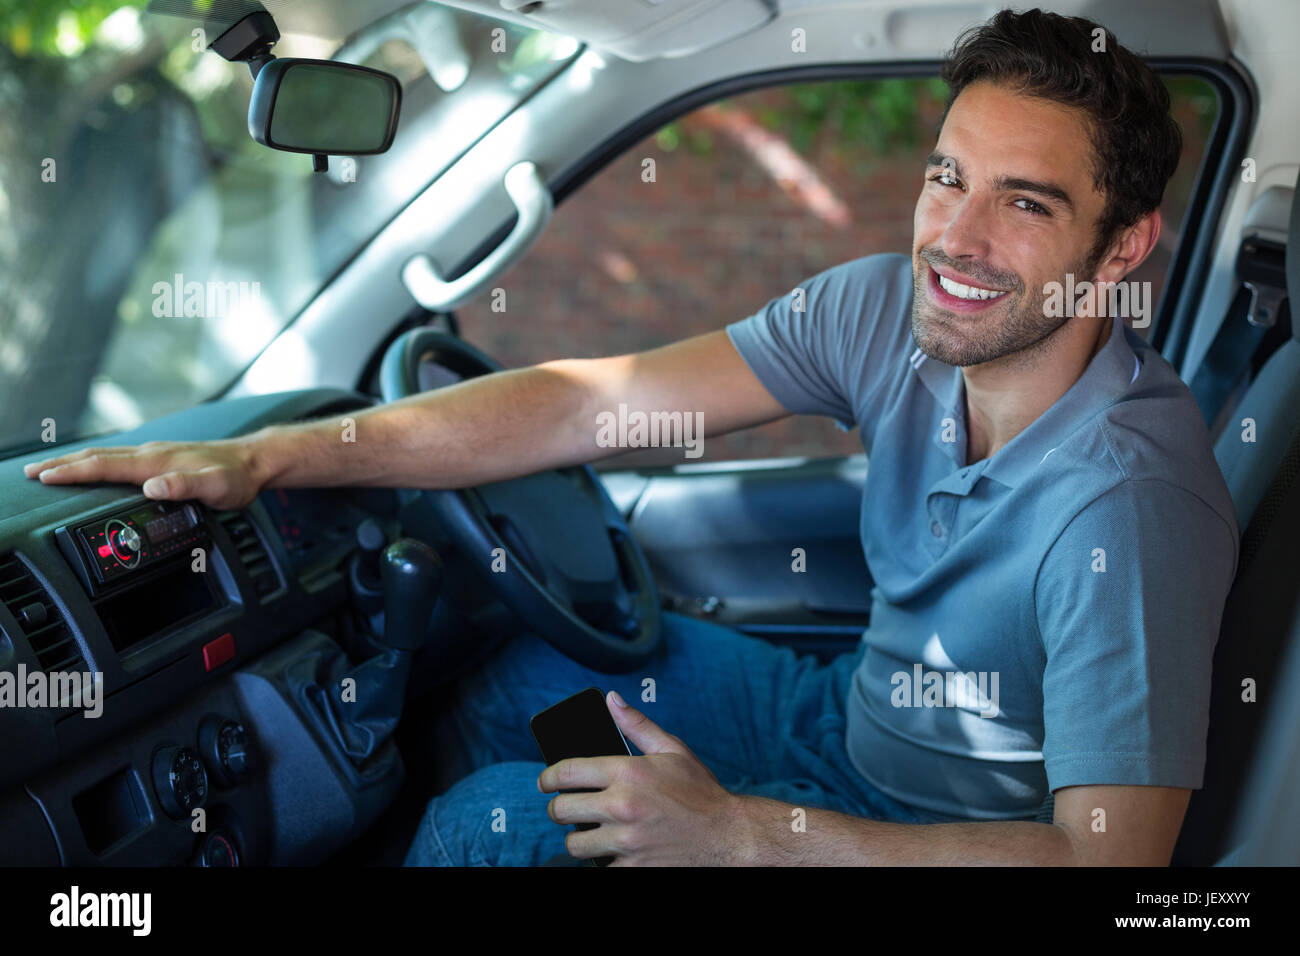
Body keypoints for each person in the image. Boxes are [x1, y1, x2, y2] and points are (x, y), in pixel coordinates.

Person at [24, 8, 1237, 865]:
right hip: (838, 718)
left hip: (937, 835)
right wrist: (278, 456)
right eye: (944, 176)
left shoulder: (1126, 510)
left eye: (1024, 204)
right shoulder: (884, 312)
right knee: (514, 689)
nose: (955, 239)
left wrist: (749, 836)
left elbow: (1106, 868)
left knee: (488, 821)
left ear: (1121, 246)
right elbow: (588, 401)